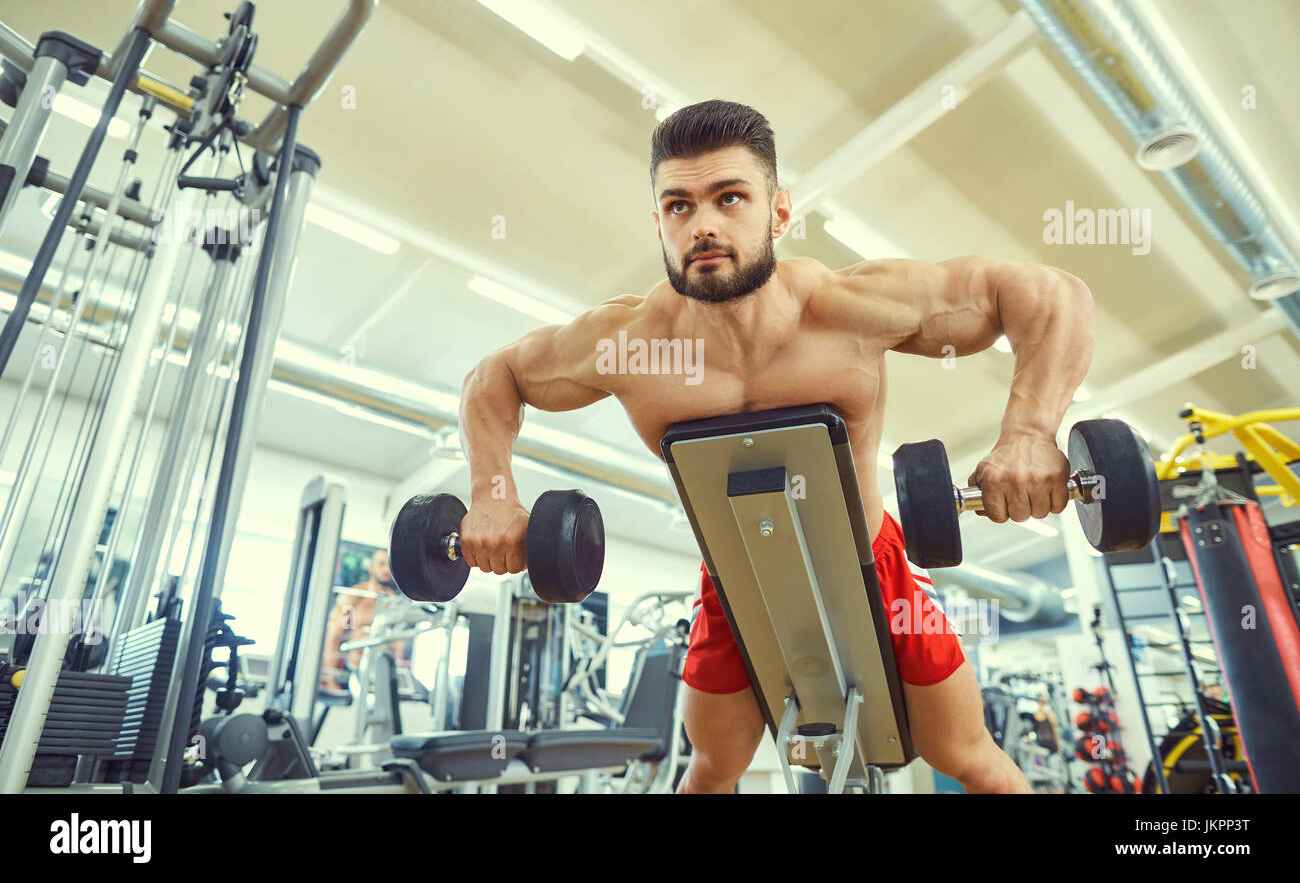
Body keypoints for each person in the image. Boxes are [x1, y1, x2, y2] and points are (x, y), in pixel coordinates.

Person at [457, 99, 1095, 794]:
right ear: (659, 225)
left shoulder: (848, 309)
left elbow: (1046, 293)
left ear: (780, 212)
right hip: (735, 580)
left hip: (872, 561)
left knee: (966, 758)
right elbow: (495, 377)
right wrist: (493, 497)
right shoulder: (630, 344)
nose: (702, 223)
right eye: (678, 206)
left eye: (729, 198)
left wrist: (1030, 434)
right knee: (711, 770)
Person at [319, 549, 403, 691]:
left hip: (379, 673)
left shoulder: (393, 603)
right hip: (353, 669)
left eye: (389, 565)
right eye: (381, 564)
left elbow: (397, 645)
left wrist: (398, 681)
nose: (386, 570)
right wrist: (331, 681)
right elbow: (333, 638)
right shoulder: (354, 596)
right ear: (371, 568)